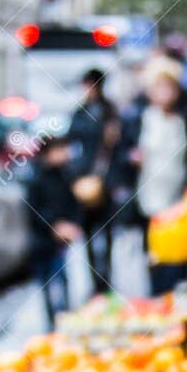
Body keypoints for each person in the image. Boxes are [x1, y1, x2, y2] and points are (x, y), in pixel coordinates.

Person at [134, 59, 187, 296]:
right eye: (157, 87)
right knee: (156, 261)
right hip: (150, 203)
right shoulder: (142, 117)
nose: (163, 93)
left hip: (181, 201)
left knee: (179, 262)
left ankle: (176, 301)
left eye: (167, 86)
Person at [23, 134, 82, 327]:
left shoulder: (64, 174)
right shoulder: (35, 179)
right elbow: (34, 211)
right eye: (60, 150)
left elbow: (73, 204)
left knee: (63, 279)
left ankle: (64, 317)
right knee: (47, 283)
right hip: (42, 241)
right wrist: (54, 226)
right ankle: (52, 321)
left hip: (60, 242)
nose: (65, 154)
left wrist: (73, 224)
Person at [67, 68, 117, 294]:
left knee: (105, 233)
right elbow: (72, 141)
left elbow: (113, 146)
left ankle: (105, 277)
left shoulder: (108, 112)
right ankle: (94, 280)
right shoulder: (81, 112)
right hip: (83, 179)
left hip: (103, 181)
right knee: (87, 234)